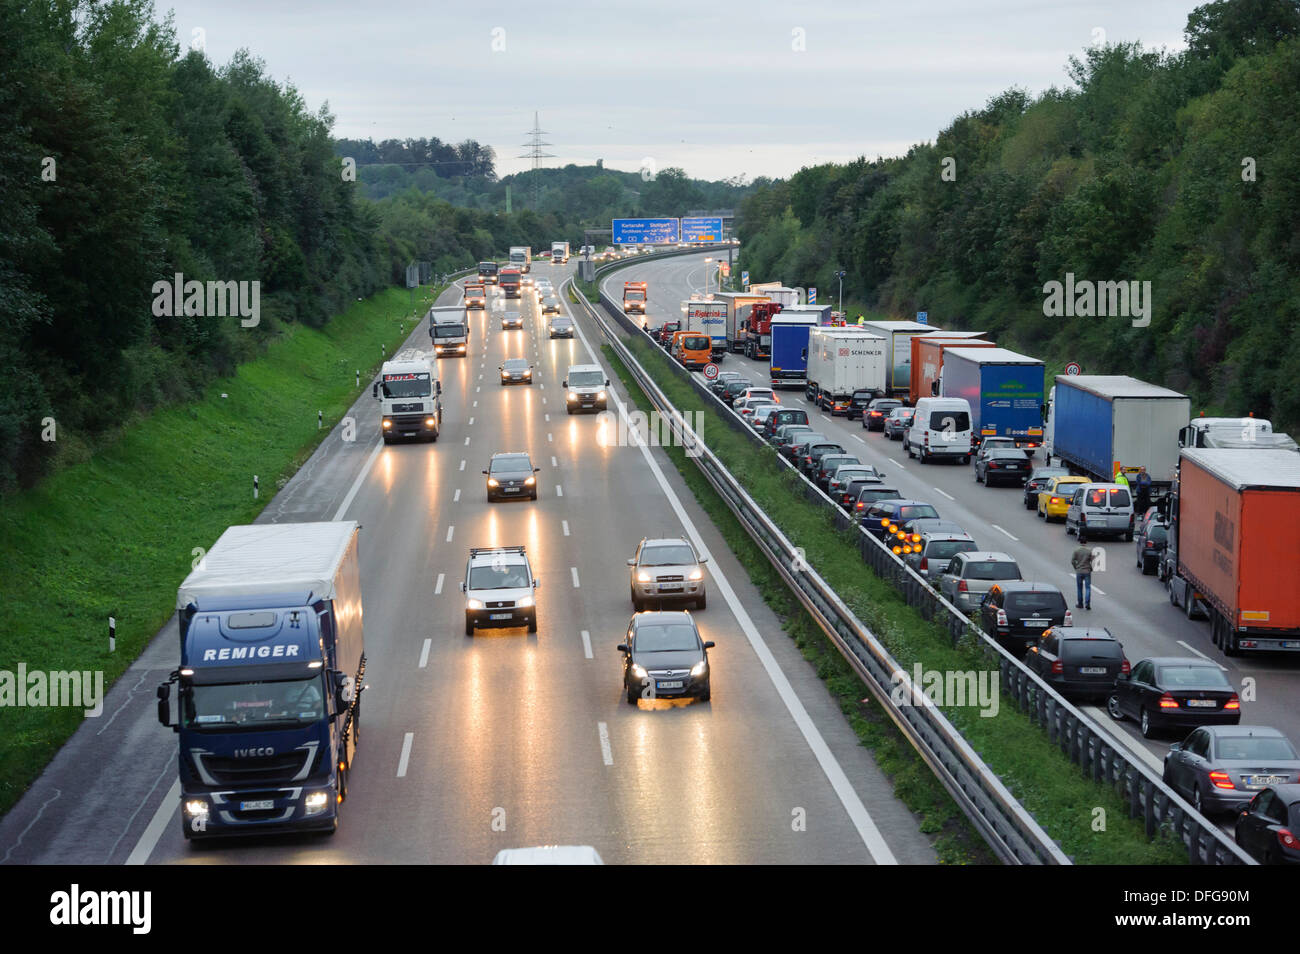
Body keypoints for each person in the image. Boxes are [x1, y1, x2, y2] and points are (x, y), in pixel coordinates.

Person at [1071, 542, 1095, 610]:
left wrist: (1076, 567)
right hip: (1087, 571)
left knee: (1079, 588)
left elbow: (1072, 561)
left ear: (1080, 542)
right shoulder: (1089, 550)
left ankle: (1080, 604)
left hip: (1079, 571)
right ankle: (1087, 603)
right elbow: (1092, 559)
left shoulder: (1076, 550)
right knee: (1088, 588)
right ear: (1086, 542)